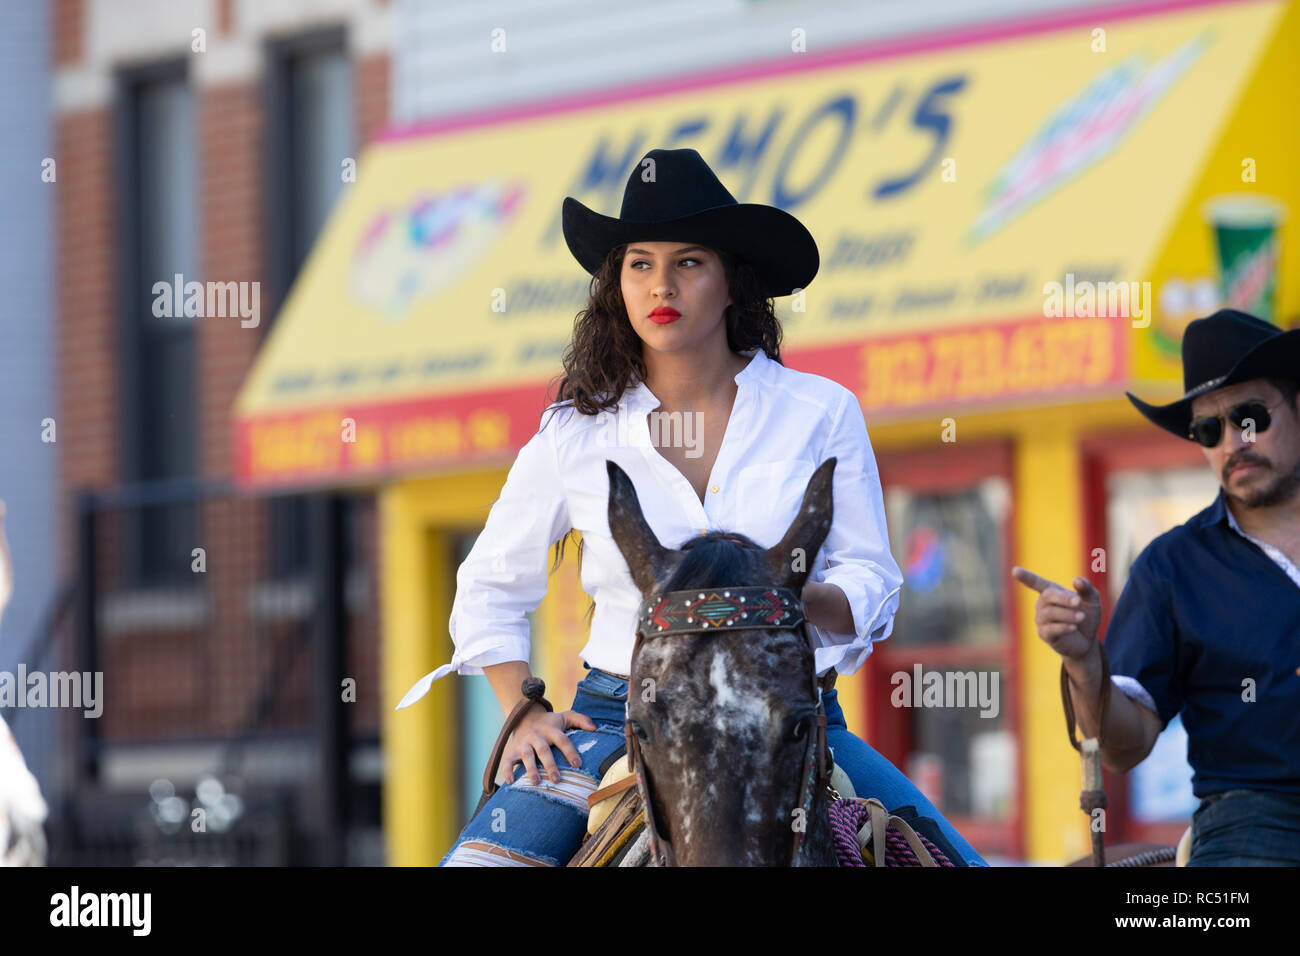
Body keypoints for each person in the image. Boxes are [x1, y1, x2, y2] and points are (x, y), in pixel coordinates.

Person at [400, 148, 986, 866]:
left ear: (732, 281)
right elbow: (489, 583)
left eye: (688, 263)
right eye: (639, 263)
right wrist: (521, 710)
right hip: (621, 719)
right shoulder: (576, 433)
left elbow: (871, 577)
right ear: (616, 284)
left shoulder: (820, 411)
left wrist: (788, 604)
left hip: (791, 724)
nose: (661, 285)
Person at [1013, 308, 1300, 866]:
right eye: (1208, 429)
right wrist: (1083, 663)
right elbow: (1124, 748)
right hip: (1256, 824)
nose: (1231, 442)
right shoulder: (1171, 566)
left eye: (1248, 416)